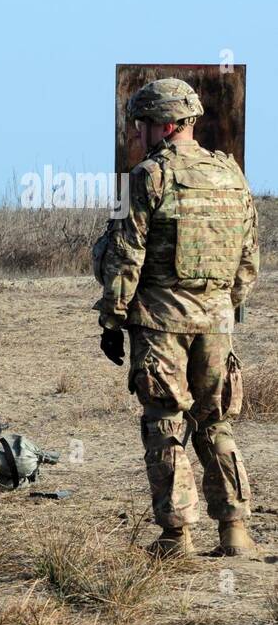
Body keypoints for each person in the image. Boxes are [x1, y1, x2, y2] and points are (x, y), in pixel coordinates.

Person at [94, 78, 259, 557]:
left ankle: (176, 536)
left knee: (165, 422)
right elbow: (248, 263)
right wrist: (220, 308)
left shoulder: (145, 178)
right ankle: (235, 532)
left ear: (164, 125)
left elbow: (125, 255)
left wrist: (112, 319)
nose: (137, 135)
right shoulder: (232, 175)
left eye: (141, 126)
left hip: (161, 323)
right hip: (216, 323)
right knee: (216, 423)